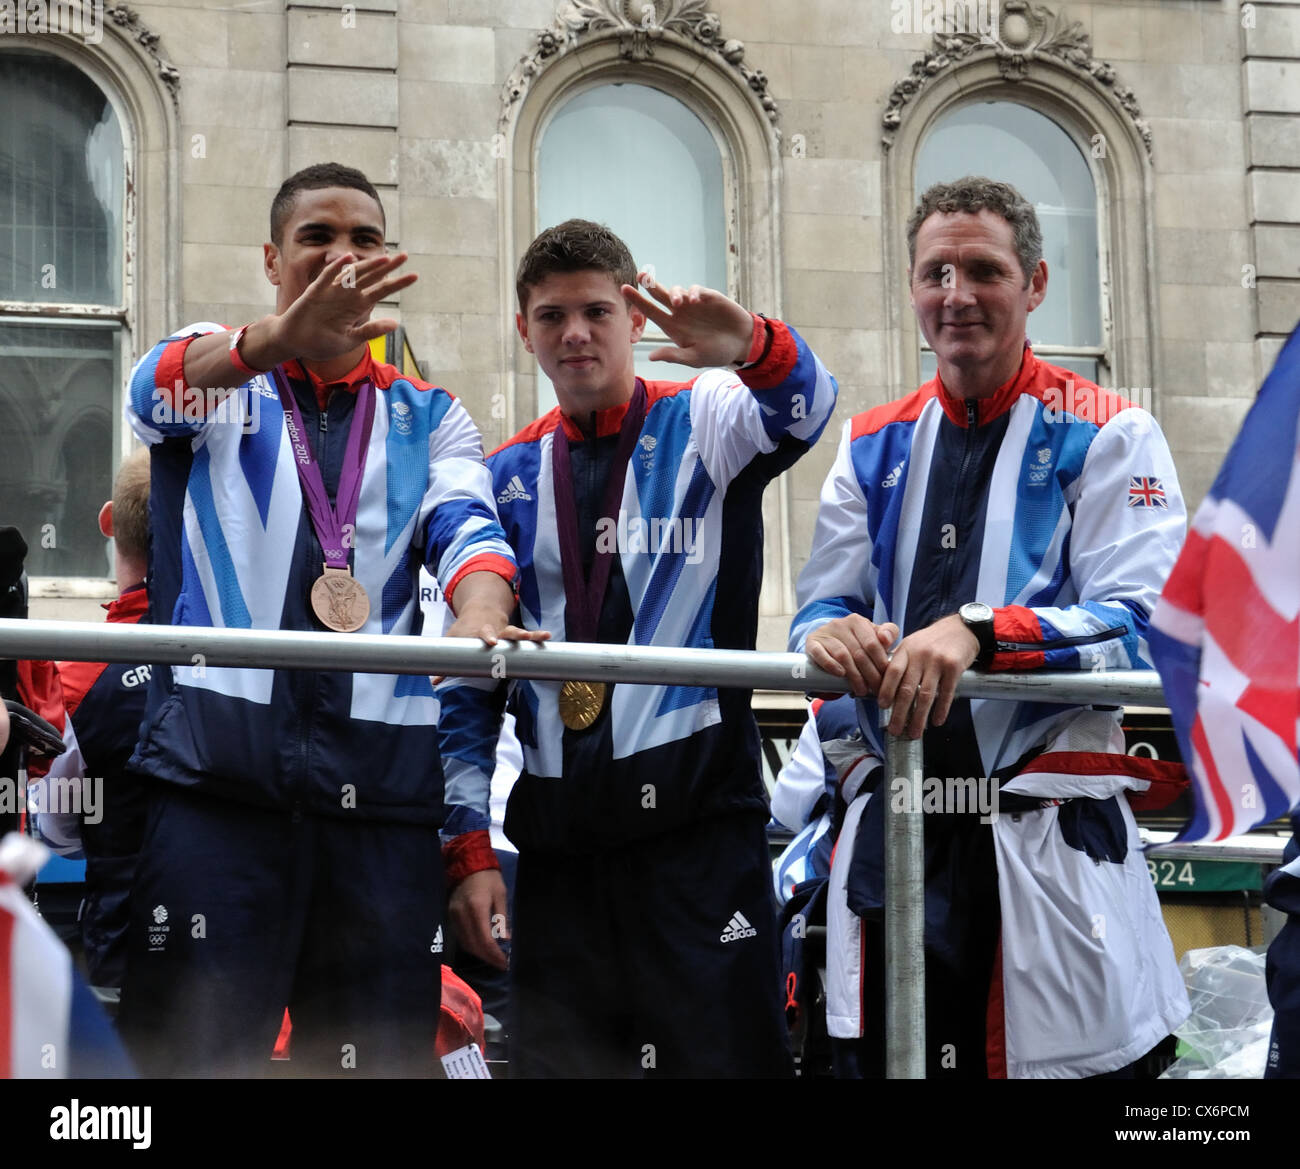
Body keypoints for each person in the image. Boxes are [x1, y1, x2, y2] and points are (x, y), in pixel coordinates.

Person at [117, 162, 537, 1077]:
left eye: (364, 239)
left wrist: (480, 609)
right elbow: (151, 393)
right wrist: (274, 340)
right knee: (191, 1060)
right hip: (216, 786)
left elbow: (471, 533)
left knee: (374, 1065)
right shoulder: (224, 370)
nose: (343, 257)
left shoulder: (432, 416)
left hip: (379, 804)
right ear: (273, 259)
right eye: (317, 238)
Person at [790, 176, 1191, 1078]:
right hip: (893, 842)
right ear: (911, 289)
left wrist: (980, 630)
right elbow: (819, 606)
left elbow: (1147, 624)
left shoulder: (1113, 430)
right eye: (936, 271)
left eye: (983, 270)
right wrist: (825, 638)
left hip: (1044, 846)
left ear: (1037, 284)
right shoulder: (868, 441)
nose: (956, 293)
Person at [440, 218, 837, 1077]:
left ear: (632, 316)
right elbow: (470, 684)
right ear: (524, 330)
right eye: (551, 316)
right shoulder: (506, 476)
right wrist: (469, 848)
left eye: (595, 311)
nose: (573, 333)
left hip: (696, 841)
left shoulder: (708, 419)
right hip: (558, 853)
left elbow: (809, 406)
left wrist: (753, 345)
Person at [29, 448, 152, 990]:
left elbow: (56, 831)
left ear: (107, 522)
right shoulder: (254, 651)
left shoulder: (74, 675)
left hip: (124, 941)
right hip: (258, 951)